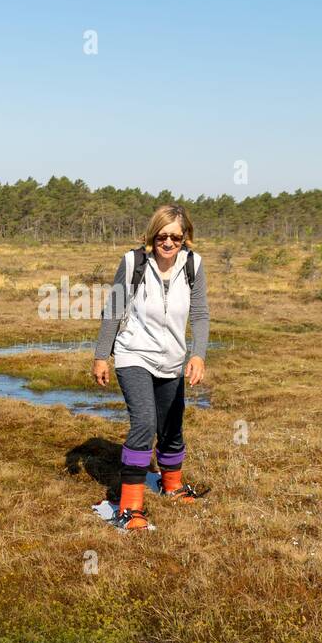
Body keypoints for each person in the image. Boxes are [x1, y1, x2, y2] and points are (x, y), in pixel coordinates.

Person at [92, 205, 210, 530]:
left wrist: (197, 354)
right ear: (152, 235)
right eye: (162, 236)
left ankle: (171, 485)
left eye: (176, 236)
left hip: (172, 360)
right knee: (144, 422)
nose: (169, 242)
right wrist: (102, 355)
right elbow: (113, 310)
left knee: (172, 425)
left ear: (186, 237)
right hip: (134, 355)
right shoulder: (133, 263)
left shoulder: (193, 266)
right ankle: (129, 507)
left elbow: (200, 315)